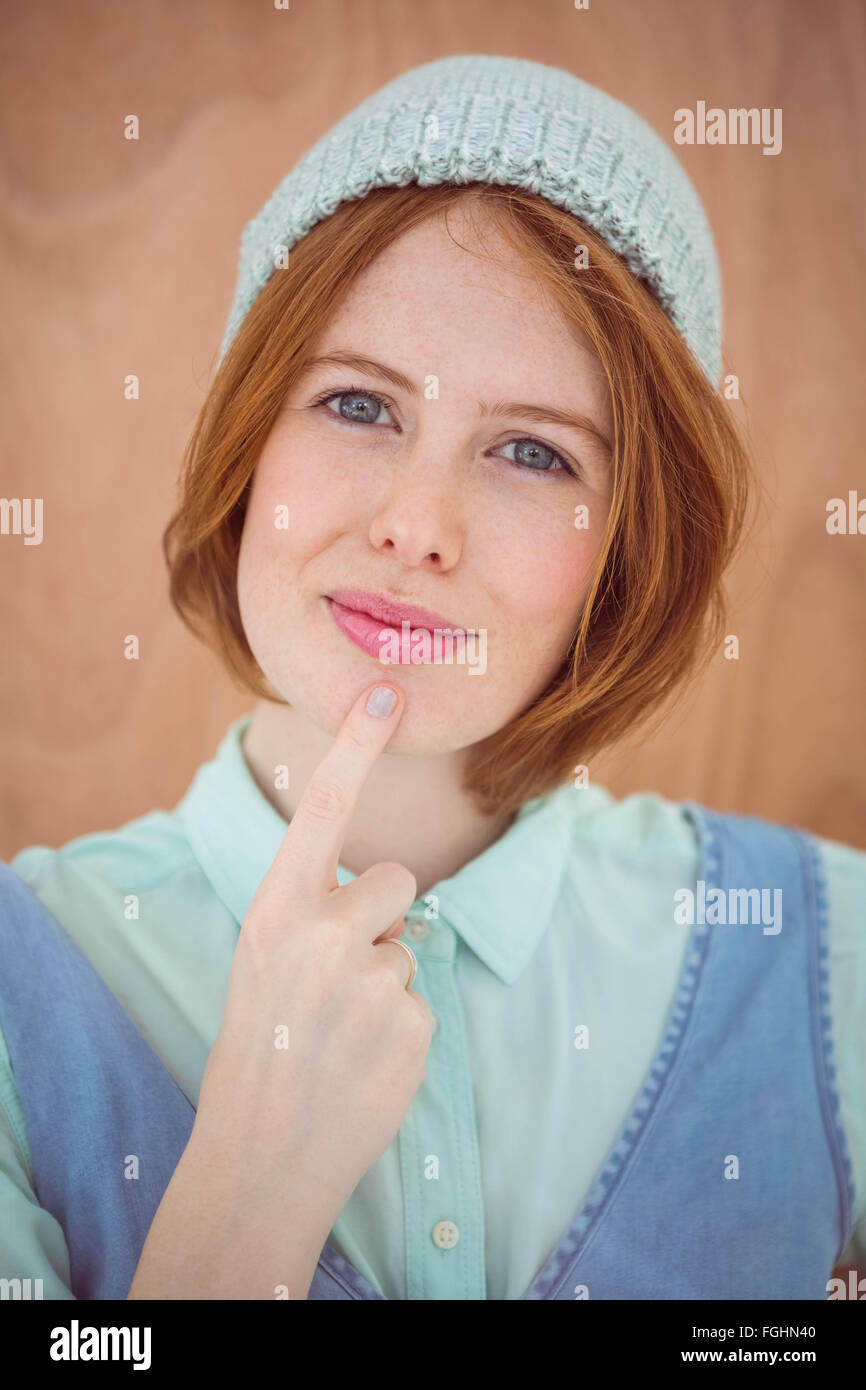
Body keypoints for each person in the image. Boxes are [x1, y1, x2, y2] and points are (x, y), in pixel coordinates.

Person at [0, 54, 863, 1302]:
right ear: (248, 448)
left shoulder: (829, 954)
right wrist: (246, 1193)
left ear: (629, 550)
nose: (417, 526)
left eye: (530, 451)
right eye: (357, 405)